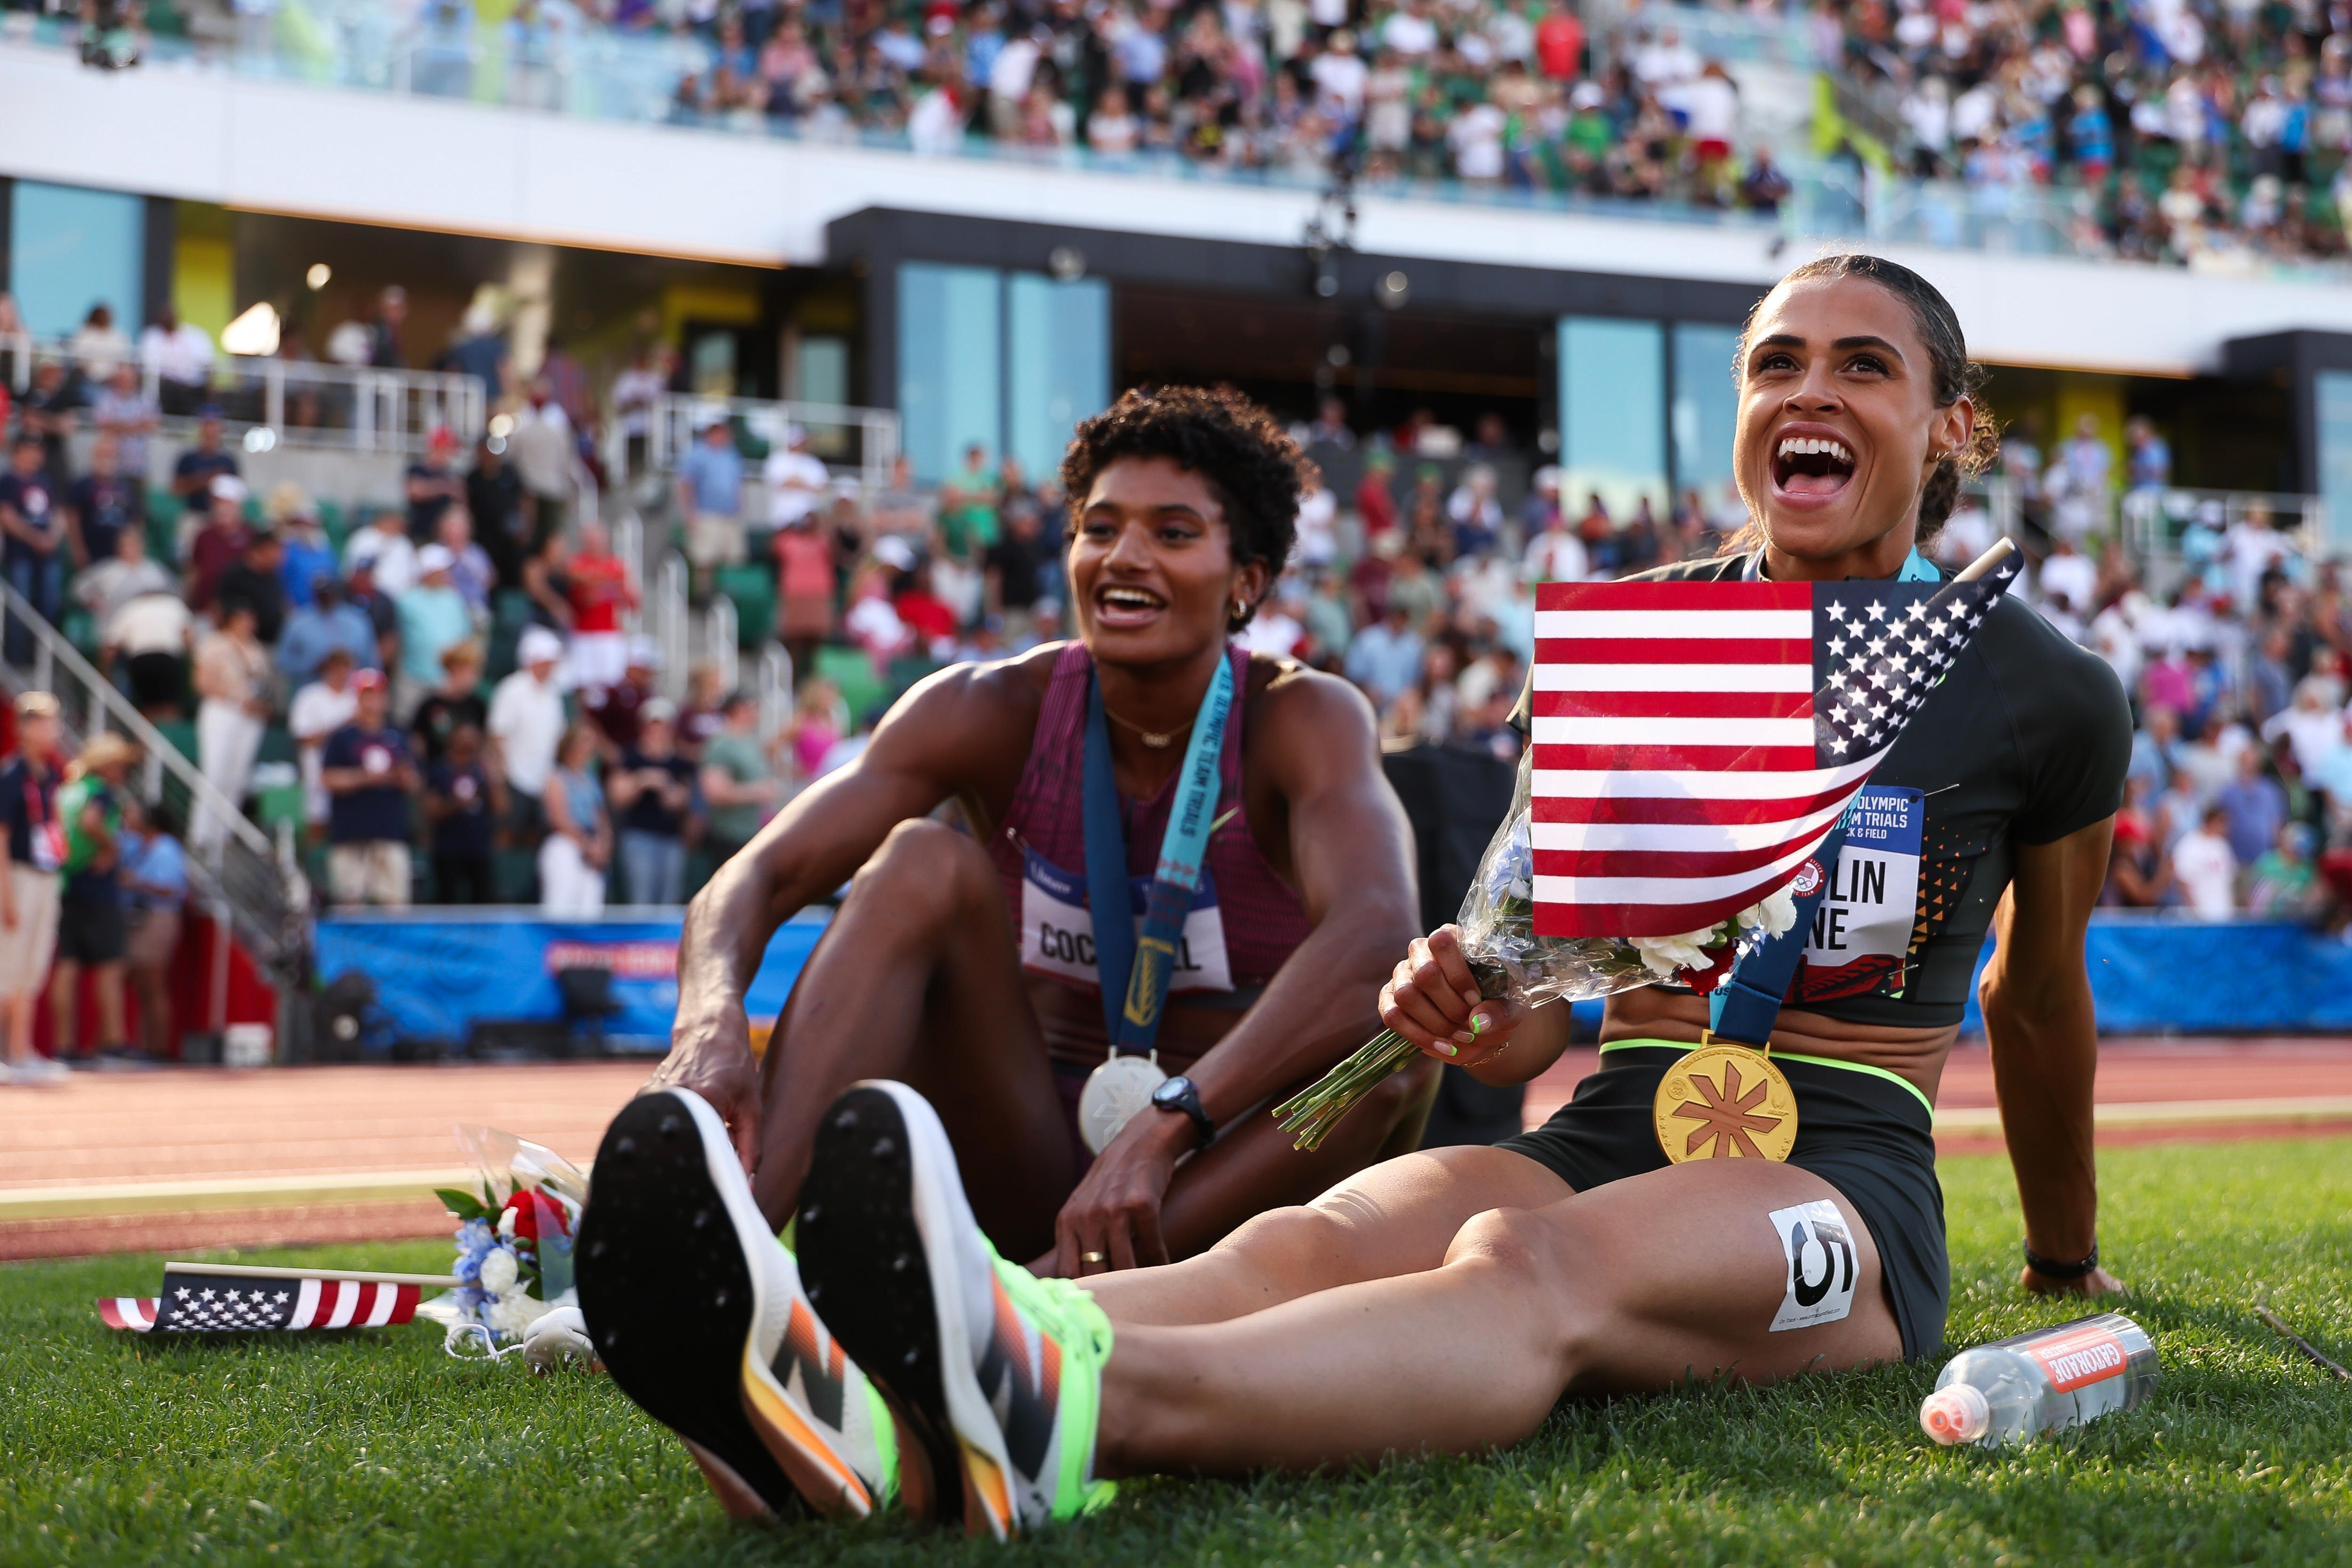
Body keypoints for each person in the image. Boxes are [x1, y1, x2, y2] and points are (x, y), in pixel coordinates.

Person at [580, 259, 2135, 1530]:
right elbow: (1533, 1017)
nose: (1811, 390)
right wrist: (1467, 1006)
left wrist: (2061, 1261)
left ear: (1952, 429)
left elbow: (2039, 993)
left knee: (1527, 1272)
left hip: (1839, 1187)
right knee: (1303, 1245)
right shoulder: (1647, 639)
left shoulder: (2043, 691)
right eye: (1777, 362)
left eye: (1864, 366)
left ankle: (1054, 1408)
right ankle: (867, 1408)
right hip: (1614, 1123)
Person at [50, 732, 138, 1063]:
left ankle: (64, 1047)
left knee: (67, 966)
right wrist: (110, 846)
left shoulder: (68, 790)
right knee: (110, 967)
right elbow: (91, 822)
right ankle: (114, 1044)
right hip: (98, 888)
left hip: (66, 884)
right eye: (121, 765)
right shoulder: (100, 792)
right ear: (108, 765)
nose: (124, 772)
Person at [0, 695, 66, 1085]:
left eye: (53, 724)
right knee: (7, 964)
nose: (51, 732)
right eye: (42, 724)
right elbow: (2, 839)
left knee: (32, 967)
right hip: (19, 877)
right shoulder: (10, 776)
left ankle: (21, 1050)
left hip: (47, 876)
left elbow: (52, 824)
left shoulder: (53, 775)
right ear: (23, 728)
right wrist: (5, 893)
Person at [319, 670, 419, 907]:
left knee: (395, 905)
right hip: (351, 832)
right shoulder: (342, 738)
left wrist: (402, 777)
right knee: (350, 904)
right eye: (368, 696)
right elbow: (327, 779)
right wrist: (366, 778)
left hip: (389, 831)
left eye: (378, 695)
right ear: (358, 698)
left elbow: (414, 782)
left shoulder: (398, 736)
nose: (373, 702)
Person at [191, 601, 272, 850]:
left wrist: (258, 705)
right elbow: (201, 682)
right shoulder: (215, 643)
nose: (248, 624)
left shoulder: (257, 650)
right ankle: (202, 837)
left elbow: (265, 686)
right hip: (223, 710)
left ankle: (223, 838)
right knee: (215, 772)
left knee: (237, 777)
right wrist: (237, 701)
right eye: (243, 618)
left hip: (250, 717)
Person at [608, 699, 694, 905]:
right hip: (638, 836)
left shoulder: (679, 762)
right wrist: (641, 781)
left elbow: (681, 801)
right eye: (653, 726)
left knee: (669, 900)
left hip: (671, 838)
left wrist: (665, 787)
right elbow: (617, 797)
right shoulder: (630, 756)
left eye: (662, 727)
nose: (657, 733)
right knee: (641, 899)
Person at [119, 797, 187, 1059]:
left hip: (160, 917)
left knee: (155, 985)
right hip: (141, 920)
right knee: (143, 989)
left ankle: (159, 1049)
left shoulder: (166, 847)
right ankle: (146, 1047)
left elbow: (173, 888)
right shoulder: (139, 846)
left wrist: (137, 883)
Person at [489, 624, 566, 840]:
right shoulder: (511, 689)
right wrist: (502, 782)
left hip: (543, 781)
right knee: (507, 835)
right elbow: (497, 736)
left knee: (536, 838)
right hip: (514, 779)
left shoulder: (554, 692)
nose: (552, 667)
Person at [0, 431, 68, 660]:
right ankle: (17, 659)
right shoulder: (8, 481)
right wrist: (36, 539)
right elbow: (7, 518)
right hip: (20, 554)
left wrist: (52, 538)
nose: (34, 457)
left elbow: (59, 516)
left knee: (50, 604)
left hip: (48, 554)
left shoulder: (46, 482)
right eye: (29, 451)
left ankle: (43, 658)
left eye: (37, 452)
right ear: (17, 453)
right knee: (19, 608)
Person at [698, 690, 782, 867]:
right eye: (753, 707)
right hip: (729, 837)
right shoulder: (721, 745)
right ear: (739, 709)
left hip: (751, 833)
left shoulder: (750, 742)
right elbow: (714, 793)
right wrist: (758, 792)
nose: (757, 712)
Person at [424, 721, 504, 905]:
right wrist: (456, 804)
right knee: (447, 901)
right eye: (464, 738)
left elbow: (501, 808)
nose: (468, 743)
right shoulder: (440, 769)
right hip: (448, 849)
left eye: (473, 738)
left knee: (483, 902)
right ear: (453, 739)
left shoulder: (483, 769)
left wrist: (493, 776)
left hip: (479, 848)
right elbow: (430, 811)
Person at [539, 722, 611, 916]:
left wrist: (602, 846)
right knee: (561, 905)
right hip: (565, 843)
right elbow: (558, 818)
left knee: (591, 907)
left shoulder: (591, 779)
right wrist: (585, 844)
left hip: (591, 848)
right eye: (582, 742)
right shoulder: (556, 777)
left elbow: (601, 818)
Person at [289, 647, 360, 838]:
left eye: (346, 668)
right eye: (337, 668)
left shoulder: (356, 698)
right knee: (317, 823)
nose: (342, 673)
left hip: (350, 772)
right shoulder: (310, 696)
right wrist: (344, 724)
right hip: (316, 769)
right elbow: (305, 739)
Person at [395, 544, 473, 716]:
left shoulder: (454, 599)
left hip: (446, 683)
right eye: (441, 570)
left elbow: (465, 637)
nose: (445, 574)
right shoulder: (407, 600)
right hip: (414, 680)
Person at [565, 519, 637, 690]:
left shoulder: (618, 566)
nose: (594, 543)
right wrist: (606, 582)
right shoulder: (576, 563)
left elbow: (633, 602)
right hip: (583, 635)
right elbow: (583, 596)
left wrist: (604, 583)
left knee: (612, 687)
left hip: (610, 635)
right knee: (583, 688)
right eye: (590, 539)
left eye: (597, 539)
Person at [678, 414, 748, 583]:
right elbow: (686, 485)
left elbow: (739, 485)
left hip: (730, 516)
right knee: (705, 559)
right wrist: (690, 514)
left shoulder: (732, 454)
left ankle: (727, 596)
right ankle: (704, 598)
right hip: (706, 514)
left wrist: (742, 510)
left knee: (734, 558)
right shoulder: (697, 455)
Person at [276, 574, 379, 688]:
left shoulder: (357, 621)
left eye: (328, 592)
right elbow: (282, 662)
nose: (326, 596)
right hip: (310, 690)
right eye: (322, 593)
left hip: (351, 693)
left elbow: (372, 664)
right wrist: (312, 665)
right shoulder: (298, 622)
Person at [65, 430, 139, 569]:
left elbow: (133, 523)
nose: (107, 459)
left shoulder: (126, 487)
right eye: (103, 454)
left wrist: (134, 550)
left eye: (111, 454)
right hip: (93, 554)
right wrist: (78, 550)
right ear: (95, 455)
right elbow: (73, 520)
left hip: (120, 557)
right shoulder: (82, 485)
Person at [410, 639, 488, 764]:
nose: (473, 678)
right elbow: (417, 746)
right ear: (453, 669)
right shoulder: (429, 705)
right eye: (468, 671)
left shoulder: (478, 706)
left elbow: (482, 748)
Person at [139, 302, 215, 415]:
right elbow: (147, 367)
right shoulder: (152, 337)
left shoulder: (195, 335)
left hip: (191, 388)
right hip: (165, 388)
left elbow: (208, 364)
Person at [170, 409, 240, 520]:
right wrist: (205, 480)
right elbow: (176, 489)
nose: (210, 431)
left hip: (221, 519)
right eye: (207, 426)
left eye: (214, 426)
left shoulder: (228, 460)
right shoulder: (188, 459)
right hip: (194, 514)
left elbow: (237, 492)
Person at [2170, 802, 2238, 916]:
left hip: (2223, 913)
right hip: (2199, 916)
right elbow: (2182, 880)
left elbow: (2230, 879)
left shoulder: (2222, 845)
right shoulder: (2189, 844)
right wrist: (2195, 911)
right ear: (2211, 821)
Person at [406, 426, 467, 542]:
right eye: (443, 449)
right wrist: (445, 487)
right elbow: (415, 491)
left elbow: (462, 502)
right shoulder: (418, 469)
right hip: (421, 537)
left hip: (445, 540)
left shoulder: (452, 474)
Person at [345, 506, 420, 598]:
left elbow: (414, 572)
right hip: (372, 595)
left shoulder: (404, 543)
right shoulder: (364, 538)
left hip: (403, 596)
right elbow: (358, 571)